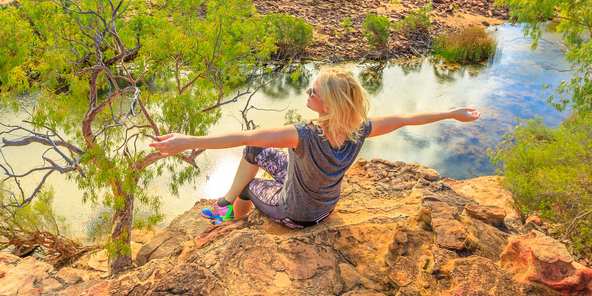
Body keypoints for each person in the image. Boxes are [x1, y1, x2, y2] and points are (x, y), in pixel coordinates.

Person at [149, 66, 480, 229]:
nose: (307, 92)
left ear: (328, 104)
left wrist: (189, 142)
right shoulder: (360, 129)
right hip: (325, 207)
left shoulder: (303, 134)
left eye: (313, 91)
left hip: (297, 213)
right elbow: (406, 119)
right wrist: (452, 112)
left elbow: (240, 136)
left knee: (248, 186)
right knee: (254, 150)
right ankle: (223, 203)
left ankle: (233, 223)